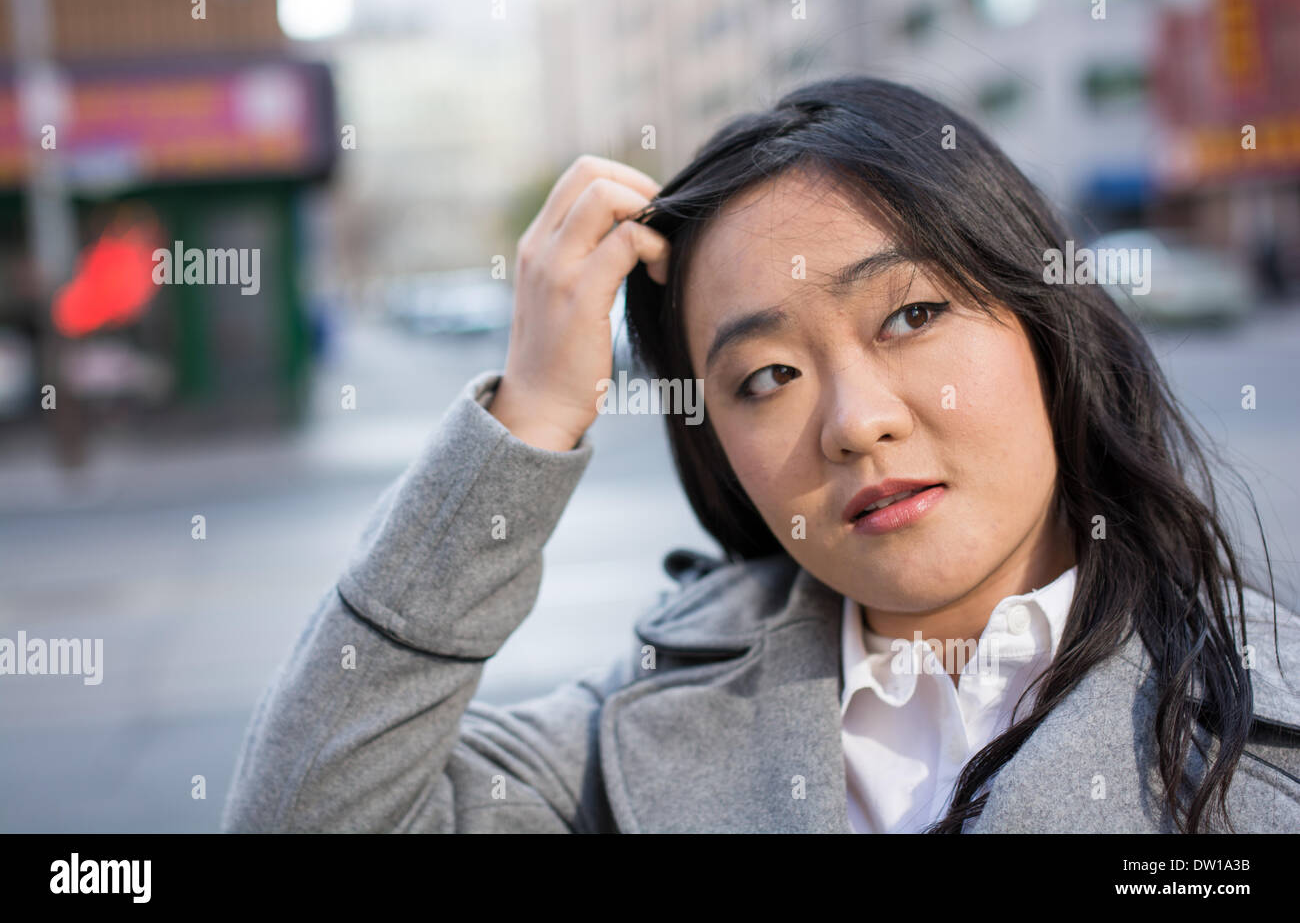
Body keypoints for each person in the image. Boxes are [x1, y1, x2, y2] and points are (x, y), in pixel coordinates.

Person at [221, 76, 1300, 833]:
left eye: (911, 313)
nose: (854, 421)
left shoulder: (1263, 724)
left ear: (1043, 326)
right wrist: (530, 415)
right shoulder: (634, 738)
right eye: (765, 377)